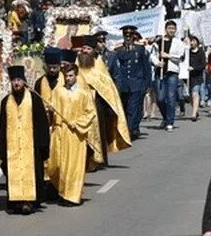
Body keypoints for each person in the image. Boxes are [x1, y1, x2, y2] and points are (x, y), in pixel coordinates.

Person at [0, 65, 51, 215]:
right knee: (14, 174)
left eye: (19, 80)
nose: (16, 83)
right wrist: (1, 150)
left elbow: (42, 123)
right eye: (14, 80)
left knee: (32, 173)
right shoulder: (5, 102)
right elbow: (1, 128)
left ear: (24, 81)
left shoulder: (34, 99)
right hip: (12, 147)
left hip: (31, 146)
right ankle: (17, 202)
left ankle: (29, 202)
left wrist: (43, 146)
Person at [74, 36, 132, 169]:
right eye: (83, 48)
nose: (85, 51)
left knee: (98, 131)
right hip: (78, 103)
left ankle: (97, 159)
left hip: (96, 103)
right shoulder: (76, 62)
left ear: (94, 51)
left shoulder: (99, 64)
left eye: (88, 49)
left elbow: (106, 84)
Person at [46, 64, 98, 207]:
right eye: (66, 76)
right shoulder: (59, 90)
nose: (68, 79)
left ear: (76, 76)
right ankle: (62, 191)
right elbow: (53, 105)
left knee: (73, 166)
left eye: (71, 76)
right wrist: (50, 109)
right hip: (60, 132)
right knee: (56, 164)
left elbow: (90, 112)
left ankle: (72, 196)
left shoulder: (83, 93)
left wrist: (77, 123)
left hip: (75, 134)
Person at [107, 25, 150, 140]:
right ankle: (130, 128)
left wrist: (147, 84)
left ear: (133, 36)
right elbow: (114, 65)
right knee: (125, 108)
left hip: (137, 83)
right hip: (123, 84)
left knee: (133, 108)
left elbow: (146, 67)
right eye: (126, 35)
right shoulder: (119, 50)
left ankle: (130, 131)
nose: (128, 37)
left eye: (130, 35)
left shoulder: (140, 50)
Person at [150, 21, 186, 131]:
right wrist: (157, 62)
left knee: (171, 98)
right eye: (169, 28)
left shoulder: (178, 43)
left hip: (172, 73)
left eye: (173, 28)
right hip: (159, 73)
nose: (171, 30)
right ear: (166, 29)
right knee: (160, 98)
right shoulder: (158, 42)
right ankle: (165, 117)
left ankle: (170, 121)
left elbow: (180, 57)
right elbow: (152, 56)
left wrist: (168, 56)